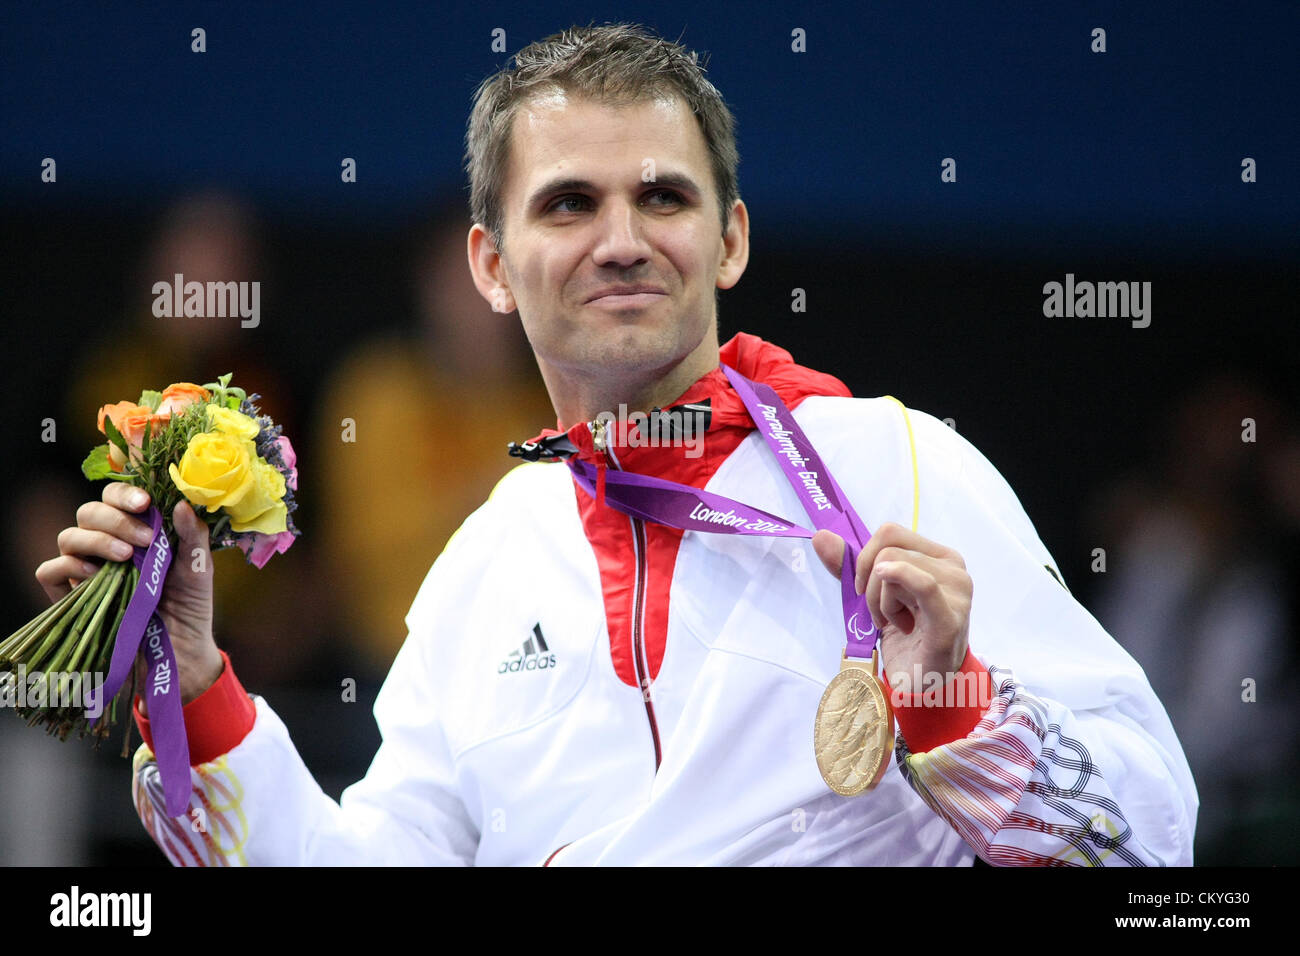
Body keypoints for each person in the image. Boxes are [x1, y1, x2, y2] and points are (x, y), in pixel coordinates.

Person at [35, 22, 1196, 866]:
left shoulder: (901, 467)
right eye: (568, 203)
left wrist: (953, 703)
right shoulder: (485, 566)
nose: (623, 240)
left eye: (665, 198)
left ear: (730, 239)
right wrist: (196, 685)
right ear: (490, 264)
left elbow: (1152, 851)